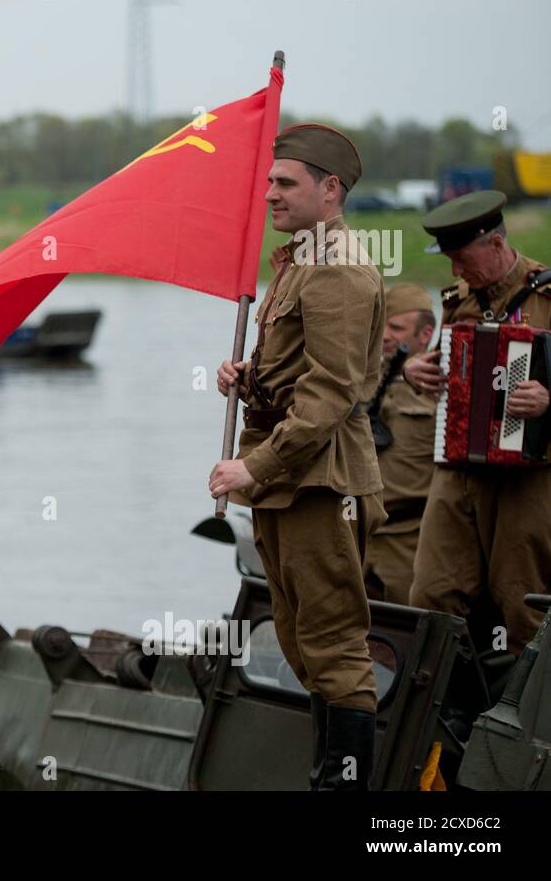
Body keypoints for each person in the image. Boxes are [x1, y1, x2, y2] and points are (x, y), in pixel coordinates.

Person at [210, 124, 385, 790]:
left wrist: (253, 467)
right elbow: (296, 372)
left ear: (330, 189)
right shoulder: (300, 259)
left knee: (336, 649)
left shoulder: (335, 264)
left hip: (317, 480)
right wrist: (248, 377)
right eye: (269, 181)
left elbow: (332, 392)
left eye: (285, 182)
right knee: (301, 643)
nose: (270, 194)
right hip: (289, 481)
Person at [403, 190, 551, 656]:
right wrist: (416, 371)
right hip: (460, 470)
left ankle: (522, 722)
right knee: (430, 592)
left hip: (529, 475)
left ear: (496, 244)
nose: (454, 272)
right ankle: (449, 710)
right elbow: (446, 364)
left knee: (521, 600)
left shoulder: (547, 295)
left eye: (462, 259)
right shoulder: (459, 299)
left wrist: (549, 400)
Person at [364, 284, 436, 604]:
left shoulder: (444, 388)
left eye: (396, 327)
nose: (386, 336)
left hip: (410, 542)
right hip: (357, 537)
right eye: (381, 327)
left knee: (405, 638)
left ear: (425, 336)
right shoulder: (360, 378)